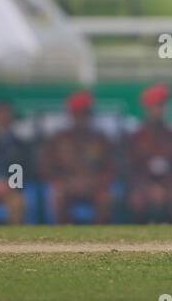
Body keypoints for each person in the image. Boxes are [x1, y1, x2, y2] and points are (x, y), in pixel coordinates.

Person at [38, 90, 120, 224]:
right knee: (57, 195)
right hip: (67, 186)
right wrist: (66, 182)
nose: (81, 117)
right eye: (78, 113)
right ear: (71, 114)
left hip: (95, 186)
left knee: (106, 198)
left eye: (85, 113)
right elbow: (46, 168)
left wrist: (94, 182)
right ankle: (65, 238)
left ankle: (101, 238)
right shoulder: (58, 140)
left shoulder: (101, 140)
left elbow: (111, 168)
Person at [126, 84, 172, 223]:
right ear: (148, 109)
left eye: (162, 106)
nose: (159, 110)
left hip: (170, 186)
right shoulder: (136, 138)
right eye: (155, 106)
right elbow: (130, 169)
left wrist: (166, 187)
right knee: (137, 200)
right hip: (143, 187)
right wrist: (149, 187)